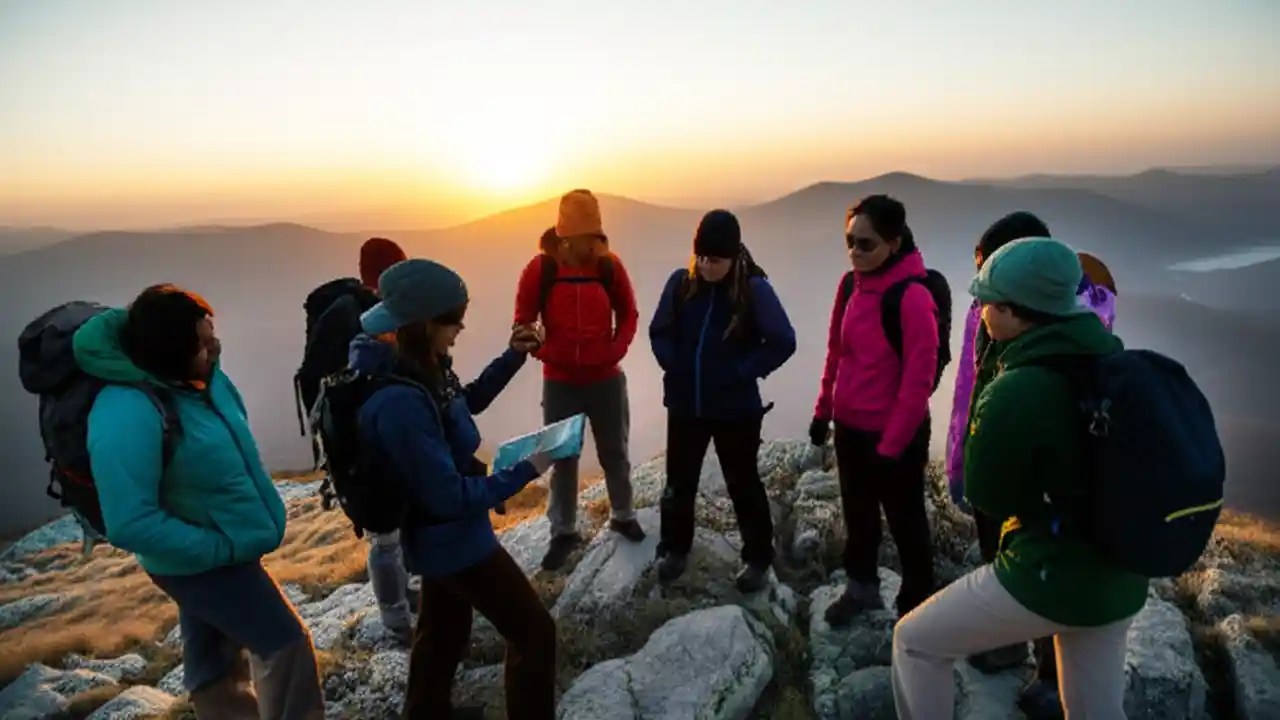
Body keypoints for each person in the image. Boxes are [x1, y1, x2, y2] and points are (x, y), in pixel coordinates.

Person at [891, 238, 1148, 720]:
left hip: (1049, 573)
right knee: (1095, 711)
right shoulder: (1113, 360)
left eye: (987, 301)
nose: (981, 311)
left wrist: (989, 372)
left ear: (1014, 312)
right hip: (1121, 577)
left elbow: (983, 494)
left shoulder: (1018, 387)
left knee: (915, 643)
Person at [80, 284, 324, 719]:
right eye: (203, 342)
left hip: (222, 547)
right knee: (285, 644)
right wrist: (222, 547)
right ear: (169, 351)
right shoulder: (126, 410)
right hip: (201, 560)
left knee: (213, 659)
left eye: (212, 333)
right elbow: (129, 521)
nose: (215, 346)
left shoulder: (202, 380)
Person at [351, 258, 556, 720]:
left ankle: (425, 712)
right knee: (534, 633)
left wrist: (513, 356)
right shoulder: (397, 400)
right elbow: (446, 496)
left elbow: (462, 406)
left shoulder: (420, 366)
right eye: (452, 321)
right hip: (450, 540)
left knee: (443, 630)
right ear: (422, 323)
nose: (460, 329)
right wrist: (528, 469)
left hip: (447, 536)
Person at [945, 214, 1120, 716]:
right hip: (997, 447)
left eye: (991, 271)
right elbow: (969, 384)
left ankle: (1051, 673)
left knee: (1043, 560)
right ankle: (1007, 642)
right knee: (998, 554)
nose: (983, 293)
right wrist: (961, 455)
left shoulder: (1078, 317)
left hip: (1049, 471)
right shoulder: (989, 312)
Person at [649, 209, 797, 592]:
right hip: (686, 405)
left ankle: (758, 557)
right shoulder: (682, 284)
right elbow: (659, 330)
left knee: (743, 483)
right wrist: (674, 365)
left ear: (732, 257)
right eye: (700, 256)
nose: (705, 265)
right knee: (679, 482)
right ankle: (674, 549)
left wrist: (739, 372)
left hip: (735, 410)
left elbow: (783, 341)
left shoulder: (753, 290)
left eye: (714, 259)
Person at [809, 194, 939, 625]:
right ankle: (861, 588)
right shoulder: (849, 286)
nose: (855, 252)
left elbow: (918, 381)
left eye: (866, 244)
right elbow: (837, 352)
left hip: (893, 435)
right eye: (849, 242)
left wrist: (892, 446)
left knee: (906, 522)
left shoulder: (912, 297)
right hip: (850, 428)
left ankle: (919, 605)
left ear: (894, 243)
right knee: (858, 515)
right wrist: (823, 410)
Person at [513, 189, 644, 571]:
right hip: (560, 382)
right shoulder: (542, 269)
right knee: (563, 457)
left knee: (614, 452)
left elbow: (630, 313)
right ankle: (563, 531)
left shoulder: (609, 267)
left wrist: (613, 352)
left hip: (605, 378)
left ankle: (623, 514)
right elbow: (523, 323)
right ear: (567, 236)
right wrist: (547, 354)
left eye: (597, 236)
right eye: (588, 236)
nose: (594, 245)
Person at [300, 236, 416, 642]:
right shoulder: (365, 316)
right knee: (385, 534)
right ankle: (396, 619)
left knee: (392, 530)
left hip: (361, 441)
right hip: (364, 445)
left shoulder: (354, 311)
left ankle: (402, 599)